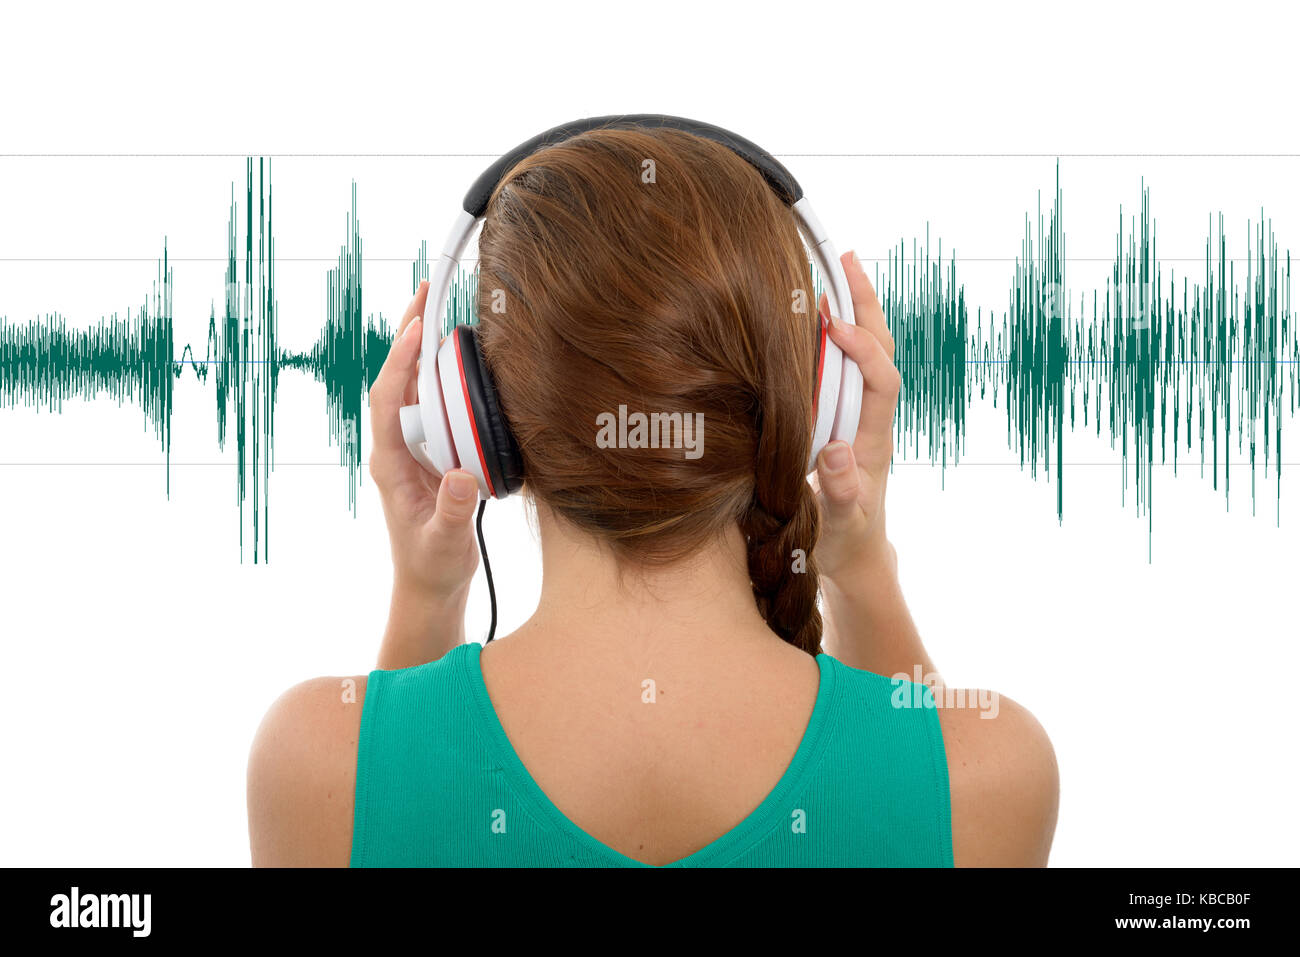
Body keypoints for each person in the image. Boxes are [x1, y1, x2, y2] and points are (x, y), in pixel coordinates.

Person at [247, 128, 1058, 867]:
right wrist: (859, 562)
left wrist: (427, 594)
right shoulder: (995, 775)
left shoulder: (312, 763)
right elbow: (912, 783)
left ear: (471, 412)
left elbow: (393, 800)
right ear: (814, 402)